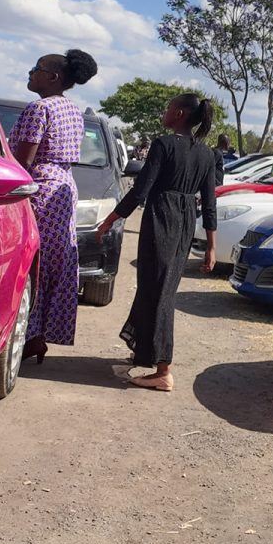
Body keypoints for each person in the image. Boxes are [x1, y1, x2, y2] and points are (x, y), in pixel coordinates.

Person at [95, 94, 220, 392]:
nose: (165, 113)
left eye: (167, 109)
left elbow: (140, 191)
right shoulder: (206, 154)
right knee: (156, 287)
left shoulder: (164, 145)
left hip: (162, 219)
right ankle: (145, 353)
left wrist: (110, 219)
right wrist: (211, 247)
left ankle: (164, 371)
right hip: (185, 222)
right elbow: (211, 203)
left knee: (160, 292)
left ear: (178, 113)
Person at [9, 49, 98, 364]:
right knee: (53, 264)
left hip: (39, 190)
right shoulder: (73, 109)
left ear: (54, 77)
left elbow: (24, 161)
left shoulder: (40, 108)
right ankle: (38, 335)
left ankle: (29, 335)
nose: (30, 73)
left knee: (32, 263)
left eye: (37, 68)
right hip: (63, 187)